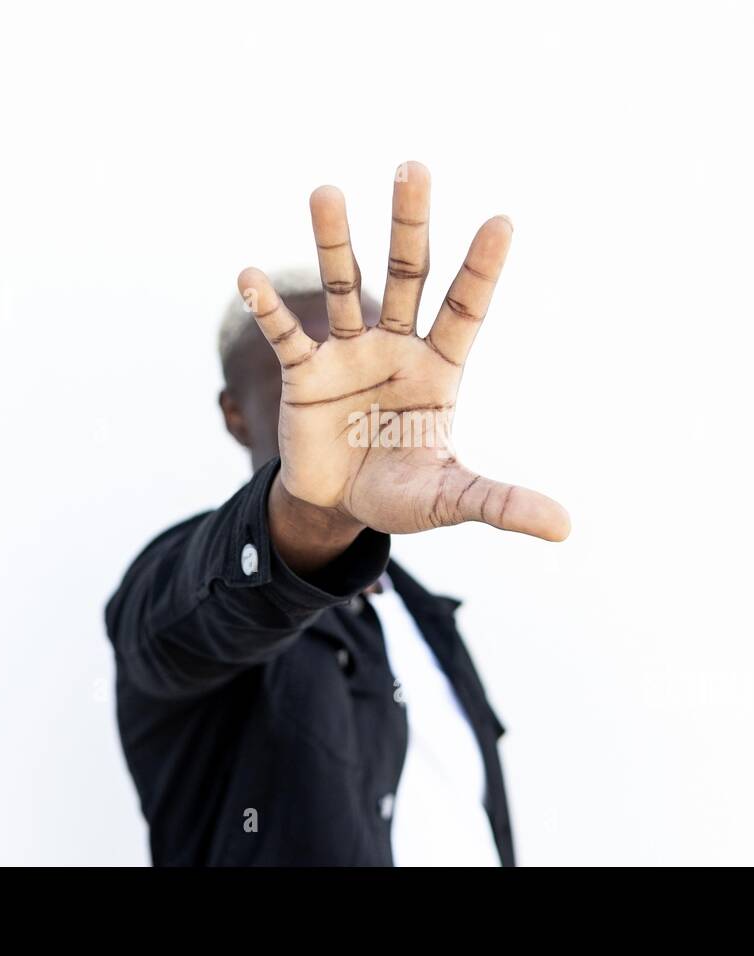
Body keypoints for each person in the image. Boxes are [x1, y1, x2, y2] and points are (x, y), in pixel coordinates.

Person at [105, 162, 569, 865]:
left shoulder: (424, 617)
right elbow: (174, 630)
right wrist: (313, 515)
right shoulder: (190, 583)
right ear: (235, 414)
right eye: (308, 377)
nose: (353, 403)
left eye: (372, 376)